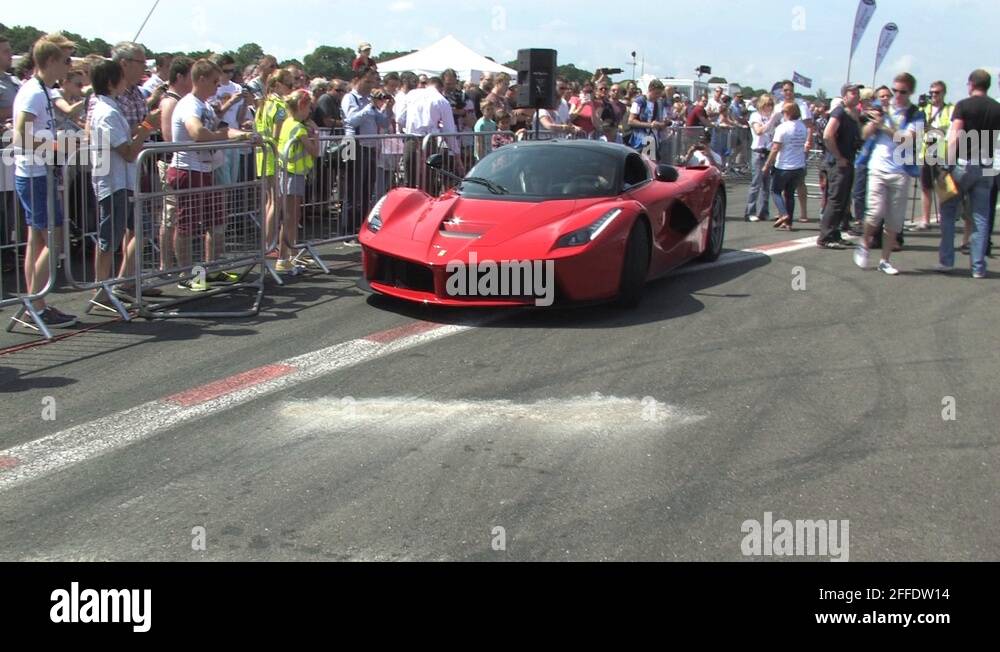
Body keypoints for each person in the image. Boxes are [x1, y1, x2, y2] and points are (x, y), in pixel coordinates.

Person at [168, 59, 252, 290]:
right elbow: (198, 133)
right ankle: (185, 274)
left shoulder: (204, 104)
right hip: (188, 169)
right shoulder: (189, 105)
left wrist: (243, 135)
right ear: (201, 79)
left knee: (216, 222)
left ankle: (213, 268)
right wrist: (226, 137)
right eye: (215, 81)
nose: (218, 86)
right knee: (187, 226)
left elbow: (221, 128)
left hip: (207, 169)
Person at [12, 34, 78, 327]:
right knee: (54, 237)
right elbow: (20, 137)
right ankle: (34, 303)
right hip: (35, 174)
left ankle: (37, 303)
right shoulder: (34, 93)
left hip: (37, 174)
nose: (69, 66)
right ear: (51, 61)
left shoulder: (42, 90)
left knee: (37, 240)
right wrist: (58, 148)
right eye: (65, 61)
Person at [86, 59, 155, 306]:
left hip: (124, 182)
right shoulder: (106, 112)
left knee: (141, 229)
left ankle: (122, 281)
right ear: (111, 81)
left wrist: (145, 125)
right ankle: (101, 288)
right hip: (113, 184)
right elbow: (127, 151)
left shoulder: (110, 109)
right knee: (108, 241)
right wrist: (147, 128)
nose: (126, 81)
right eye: (121, 77)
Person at [854, 73, 923, 275]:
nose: (897, 95)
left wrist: (884, 125)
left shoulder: (915, 114)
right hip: (878, 166)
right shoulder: (880, 107)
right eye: (896, 91)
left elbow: (907, 139)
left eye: (903, 92)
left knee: (894, 220)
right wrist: (874, 124)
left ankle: (885, 260)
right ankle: (864, 244)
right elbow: (864, 134)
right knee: (874, 213)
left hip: (901, 170)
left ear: (910, 92)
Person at [937, 69, 1000, 278]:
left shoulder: (963, 105)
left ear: (971, 84)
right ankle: (978, 267)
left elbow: (954, 136)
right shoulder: (997, 108)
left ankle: (947, 261)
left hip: (963, 164)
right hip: (986, 166)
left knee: (948, 212)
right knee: (981, 217)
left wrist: (947, 164)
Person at [276, 89, 320, 274]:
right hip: (292, 174)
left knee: (292, 218)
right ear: (302, 106)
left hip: (289, 173)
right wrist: (315, 137)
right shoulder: (299, 128)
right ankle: (283, 257)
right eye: (309, 107)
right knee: (290, 219)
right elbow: (314, 151)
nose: (310, 111)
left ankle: (290, 254)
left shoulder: (288, 122)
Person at [156, 56, 193, 274]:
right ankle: (165, 264)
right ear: (180, 77)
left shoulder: (184, 100)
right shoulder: (170, 101)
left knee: (179, 215)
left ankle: (179, 264)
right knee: (170, 216)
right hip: (171, 164)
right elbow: (169, 137)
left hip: (183, 164)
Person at [342, 68, 390, 234]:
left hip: (369, 147)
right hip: (353, 145)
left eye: (372, 82)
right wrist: (369, 107)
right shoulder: (350, 98)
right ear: (358, 80)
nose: (371, 86)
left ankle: (360, 226)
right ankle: (347, 230)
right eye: (367, 82)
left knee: (366, 190)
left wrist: (387, 107)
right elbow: (351, 120)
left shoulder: (369, 100)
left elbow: (383, 123)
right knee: (352, 190)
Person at [816, 83, 863, 249]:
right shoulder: (839, 112)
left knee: (843, 201)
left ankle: (835, 234)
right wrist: (838, 157)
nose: (856, 95)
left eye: (857, 93)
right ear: (844, 96)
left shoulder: (853, 114)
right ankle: (825, 237)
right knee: (835, 200)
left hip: (848, 161)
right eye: (852, 93)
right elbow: (828, 135)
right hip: (837, 163)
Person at [254, 68, 293, 255]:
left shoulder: (263, 103)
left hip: (263, 155)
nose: (291, 88)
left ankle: (268, 244)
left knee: (270, 201)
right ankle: (269, 245)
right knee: (274, 202)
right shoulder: (278, 105)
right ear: (277, 84)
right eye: (289, 84)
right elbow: (278, 135)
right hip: (273, 155)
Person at [763, 102, 808, 231]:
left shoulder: (783, 128)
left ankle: (783, 214)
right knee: (789, 193)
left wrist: (767, 164)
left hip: (784, 165)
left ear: (787, 113)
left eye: (783, 112)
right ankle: (788, 223)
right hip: (798, 165)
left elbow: (775, 148)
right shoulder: (802, 127)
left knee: (775, 191)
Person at [917, 80, 953, 230]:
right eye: (931, 93)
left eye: (937, 92)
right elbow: (918, 127)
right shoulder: (925, 109)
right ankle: (925, 219)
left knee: (944, 186)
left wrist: (931, 127)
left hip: (942, 150)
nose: (933, 95)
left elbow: (950, 129)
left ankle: (945, 217)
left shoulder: (950, 109)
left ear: (943, 93)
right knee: (926, 186)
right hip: (927, 150)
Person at [745, 94, 776, 222]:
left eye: (771, 105)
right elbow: (759, 131)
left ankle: (764, 211)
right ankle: (750, 211)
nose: (769, 107)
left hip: (768, 151)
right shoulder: (755, 116)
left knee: (766, 183)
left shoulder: (771, 117)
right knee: (756, 182)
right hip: (758, 151)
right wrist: (771, 120)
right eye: (767, 104)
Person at [627, 79, 667, 155]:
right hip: (639, 139)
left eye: (659, 94)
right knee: (640, 161)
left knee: (650, 163)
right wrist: (650, 125)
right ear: (650, 90)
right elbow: (631, 121)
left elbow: (663, 122)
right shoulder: (639, 101)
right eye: (656, 93)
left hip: (652, 138)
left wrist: (663, 124)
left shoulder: (658, 103)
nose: (658, 96)